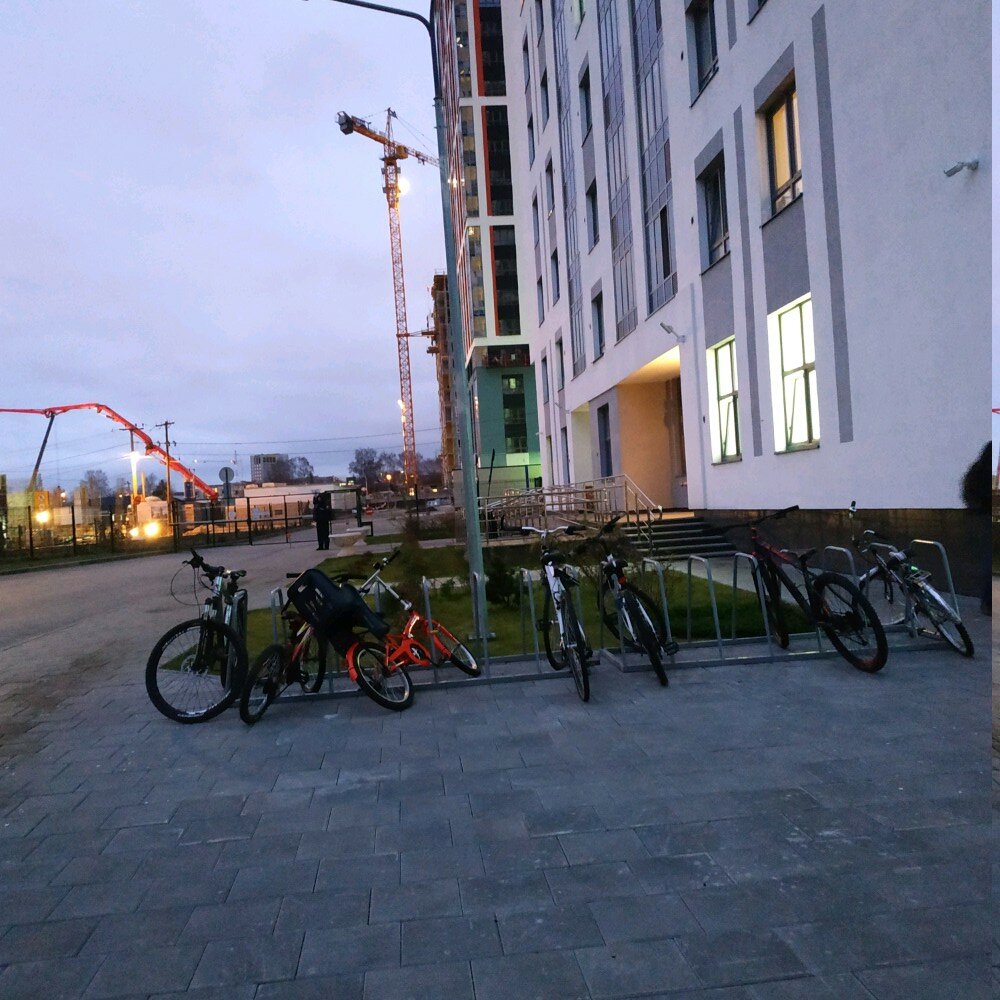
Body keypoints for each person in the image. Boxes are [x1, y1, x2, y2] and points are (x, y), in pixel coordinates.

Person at [960, 442, 992, 615]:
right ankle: (989, 601)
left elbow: (968, 491)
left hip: (981, 515)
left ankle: (989, 602)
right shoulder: (988, 469)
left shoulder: (979, 469)